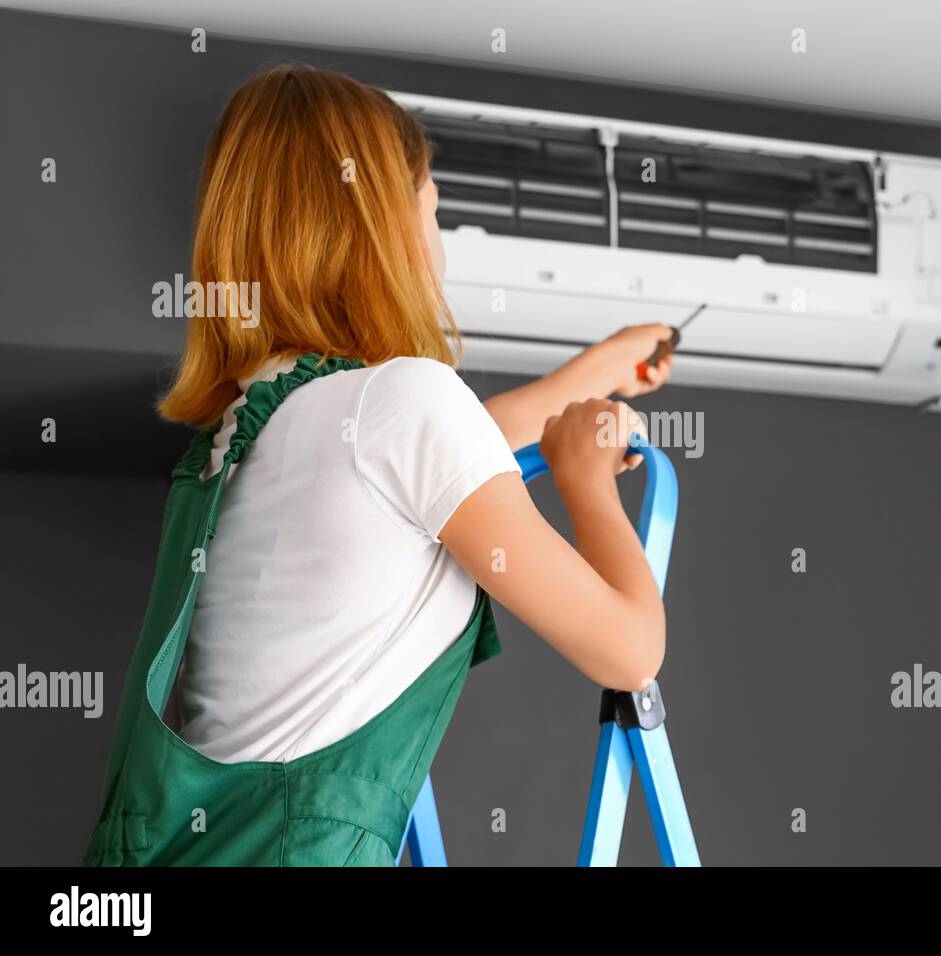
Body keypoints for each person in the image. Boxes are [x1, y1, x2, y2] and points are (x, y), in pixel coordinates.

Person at [83, 63, 674, 866]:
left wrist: (603, 366)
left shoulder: (244, 430)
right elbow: (630, 650)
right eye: (434, 210)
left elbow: (456, 452)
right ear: (383, 226)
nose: (437, 243)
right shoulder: (401, 408)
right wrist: (586, 483)